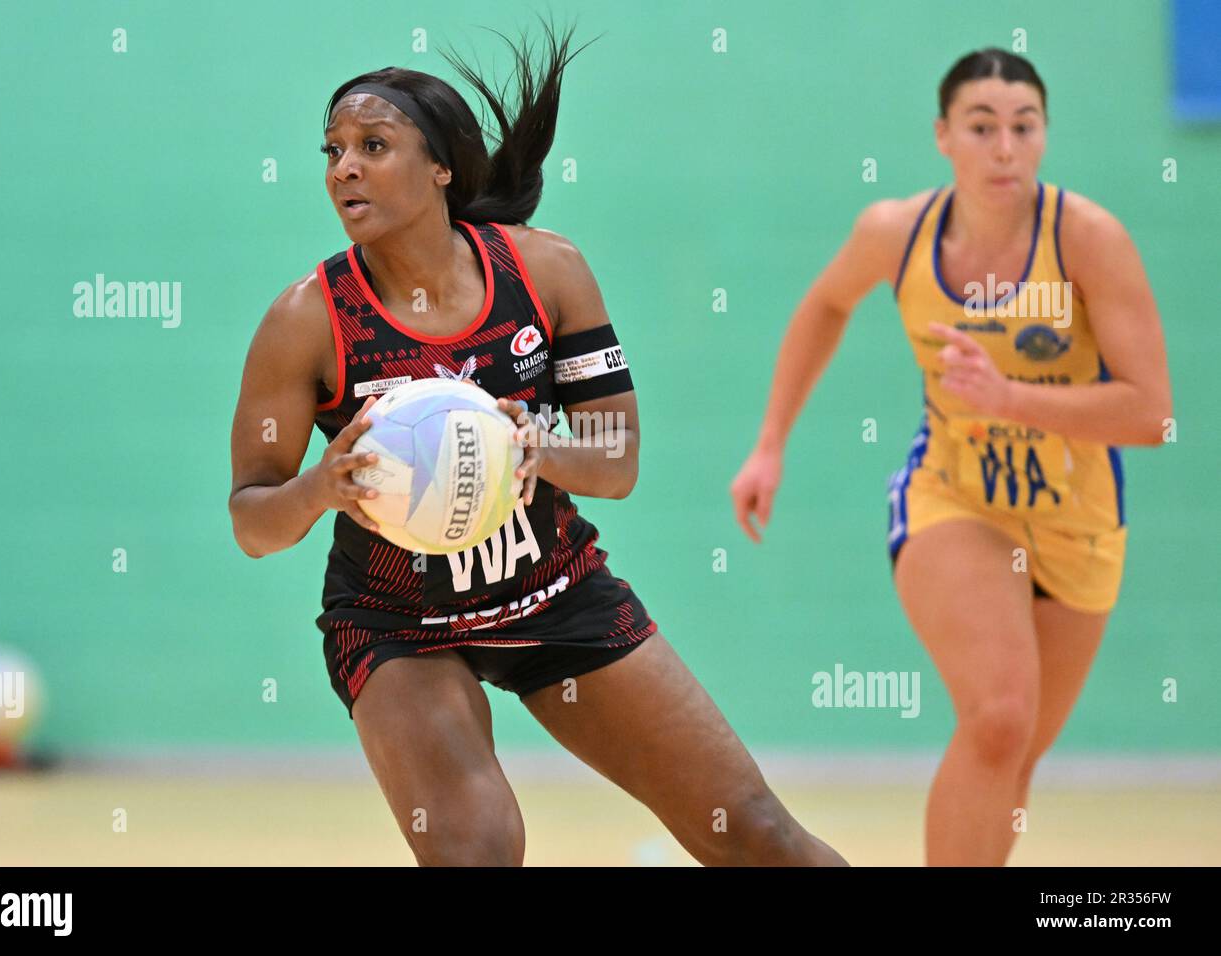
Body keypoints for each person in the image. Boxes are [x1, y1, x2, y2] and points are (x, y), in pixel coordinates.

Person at [228, 22, 845, 867]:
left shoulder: (545, 272)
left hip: (553, 592)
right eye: (332, 150)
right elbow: (251, 520)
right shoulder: (306, 320)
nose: (344, 168)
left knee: (763, 838)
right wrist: (320, 487)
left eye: (373, 145)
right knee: (478, 848)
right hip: (399, 621)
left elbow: (618, 462)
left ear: (442, 164)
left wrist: (542, 450)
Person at [731, 48, 1172, 866]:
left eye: (1023, 126)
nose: (1004, 146)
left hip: (1080, 521)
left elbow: (1152, 414)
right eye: (982, 126)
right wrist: (769, 445)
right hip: (954, 496)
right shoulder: (896, 232)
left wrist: (1013, 398)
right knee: (1000, 716)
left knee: (1014, 755)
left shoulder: (1088, 240)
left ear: (1043, 137)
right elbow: (825, 303)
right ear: (943, 136)